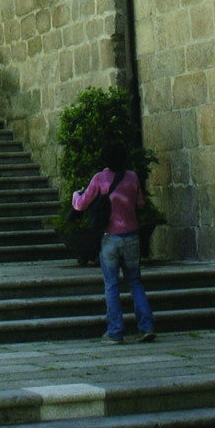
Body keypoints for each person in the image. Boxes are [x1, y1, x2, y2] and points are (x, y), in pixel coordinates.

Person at [73, 139, 156, 344]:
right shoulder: (132, 177)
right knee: (135, 281)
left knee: (111, 285)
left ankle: (115, 331)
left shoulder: (100, 178)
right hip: (132, 235)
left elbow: (81, 205)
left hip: (110, 238)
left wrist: (76, 194)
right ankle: (146, 326)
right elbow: (140, 203)